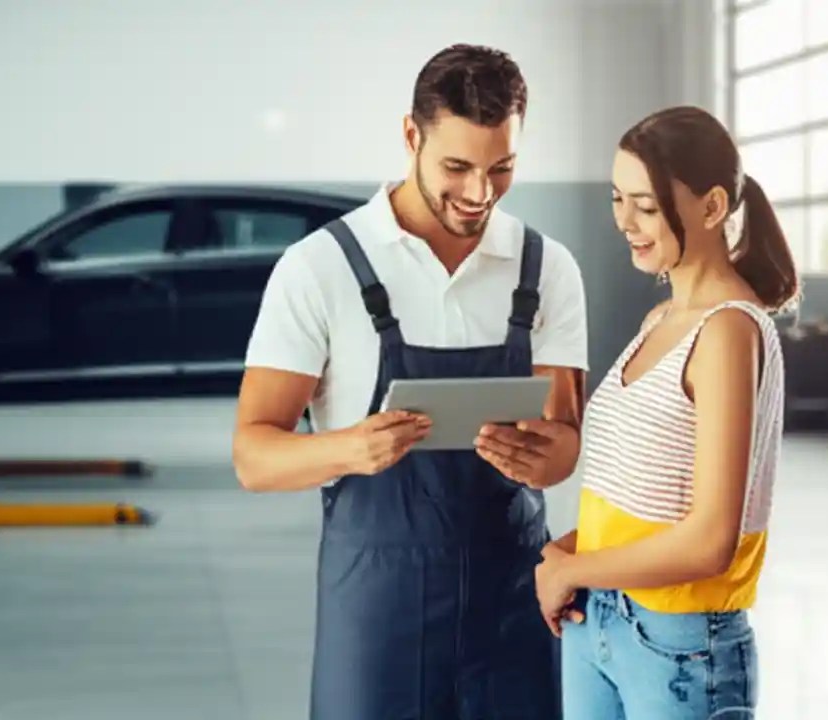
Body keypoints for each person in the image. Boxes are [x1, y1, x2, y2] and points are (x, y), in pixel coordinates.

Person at [232, 44, 590, 720]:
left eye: (502, 168)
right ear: (410, 136)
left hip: (512, 601)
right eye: (456, 167)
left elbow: (567, 442)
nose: (479, 193)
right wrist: (348, 450)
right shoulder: (320, 269)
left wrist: (548, 457)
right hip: (375, 611)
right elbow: (253, 455)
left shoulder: (546, 269)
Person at [534, 105, 798, 719]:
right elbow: (652, 498)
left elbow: (710, 543)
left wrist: (575, 567)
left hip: (678, 645)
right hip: (598, 614)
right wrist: (567, 555)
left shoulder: (729, 331)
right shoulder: (660, 320)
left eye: (646, 205)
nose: (625, 221)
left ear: (711, 208)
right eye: (617, 199)